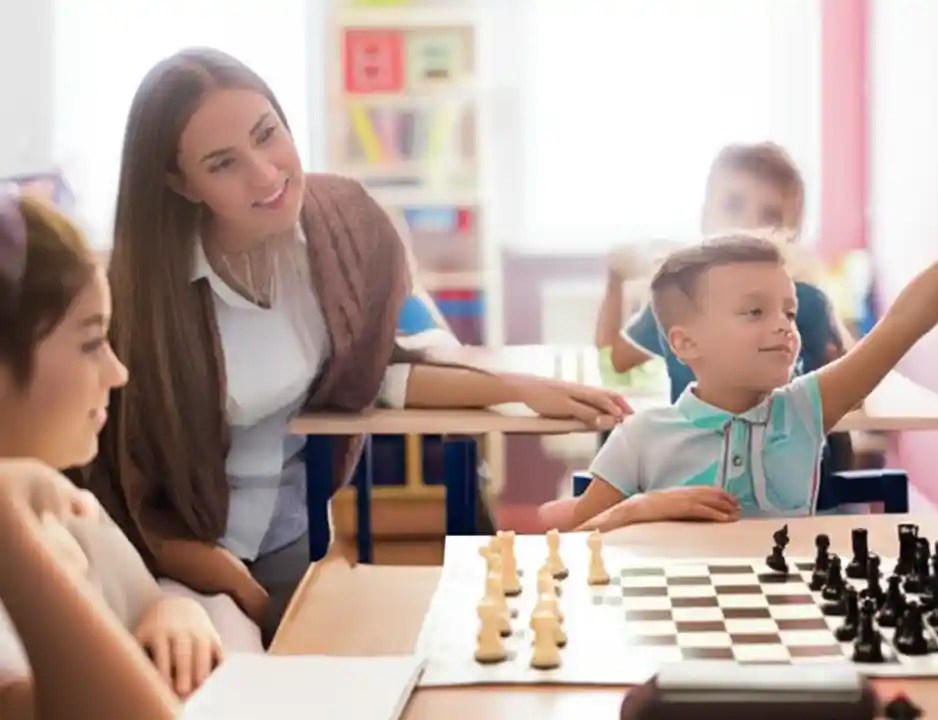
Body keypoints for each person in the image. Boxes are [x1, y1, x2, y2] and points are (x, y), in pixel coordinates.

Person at [78, 47, 631, 647]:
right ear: (179, 184)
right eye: (222, 164)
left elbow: (384, 376)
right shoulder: (147, 298)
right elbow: (128, 475)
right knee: (234, 675)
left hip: (288, 534)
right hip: (182, 553)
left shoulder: (336, 232)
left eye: (268, 134)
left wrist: (521, 391)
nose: (265, 174)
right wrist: (227, 583)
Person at [568, 151, 938, 531]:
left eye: (788, 310)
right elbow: (567, 532)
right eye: (755, 312)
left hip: (787, 616)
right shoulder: (640, 437)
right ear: (684, 343)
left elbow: (906, 321)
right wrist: (643, 507)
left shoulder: (804, 410)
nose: (786, 326)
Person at [0, 192, 231, 712]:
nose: (118, 373)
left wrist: (176, 612)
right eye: (90, 343)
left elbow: (149, 600)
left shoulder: (68, 511)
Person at [595, 142, 853, 398]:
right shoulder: (678, 299)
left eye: (770, 218)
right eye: (732, 206)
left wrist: (826, 309)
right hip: (700, 440)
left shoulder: (805, 302)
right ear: (705, 216)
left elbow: (854, 384)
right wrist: (615, 278)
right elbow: (614, 361)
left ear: (791, 236)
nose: (747, 225)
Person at [0, 459, 181, 720]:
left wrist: (175, 610)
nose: (108, 415)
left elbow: (147, 599)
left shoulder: (74, 506)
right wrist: (9, 521)